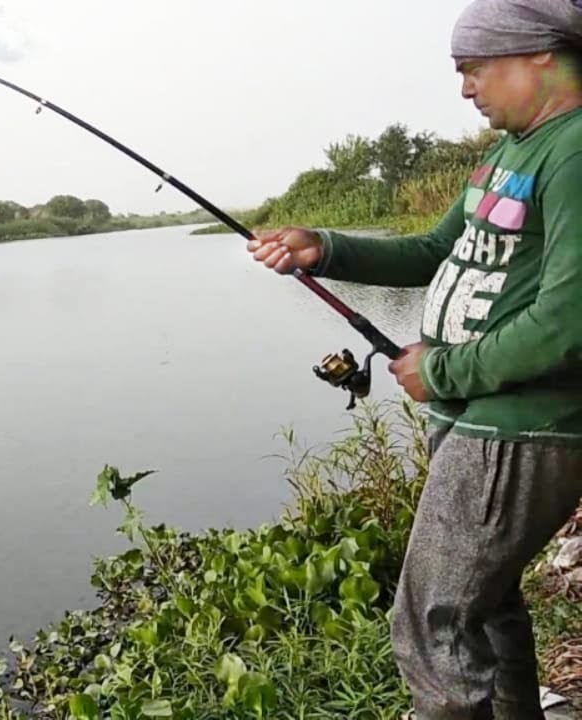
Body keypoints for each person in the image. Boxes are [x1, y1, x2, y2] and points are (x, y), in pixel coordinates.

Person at [246, 1, 582, 717]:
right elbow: (434, 253)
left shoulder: (576, 151)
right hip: (477, 419)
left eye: (474, 69)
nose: (465, 89)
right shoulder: (504, 154)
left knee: (429, 623)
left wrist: (442, 371)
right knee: (485, 604)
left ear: (540, 55)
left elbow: (568, 320)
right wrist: (324, 248)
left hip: (521, 423)